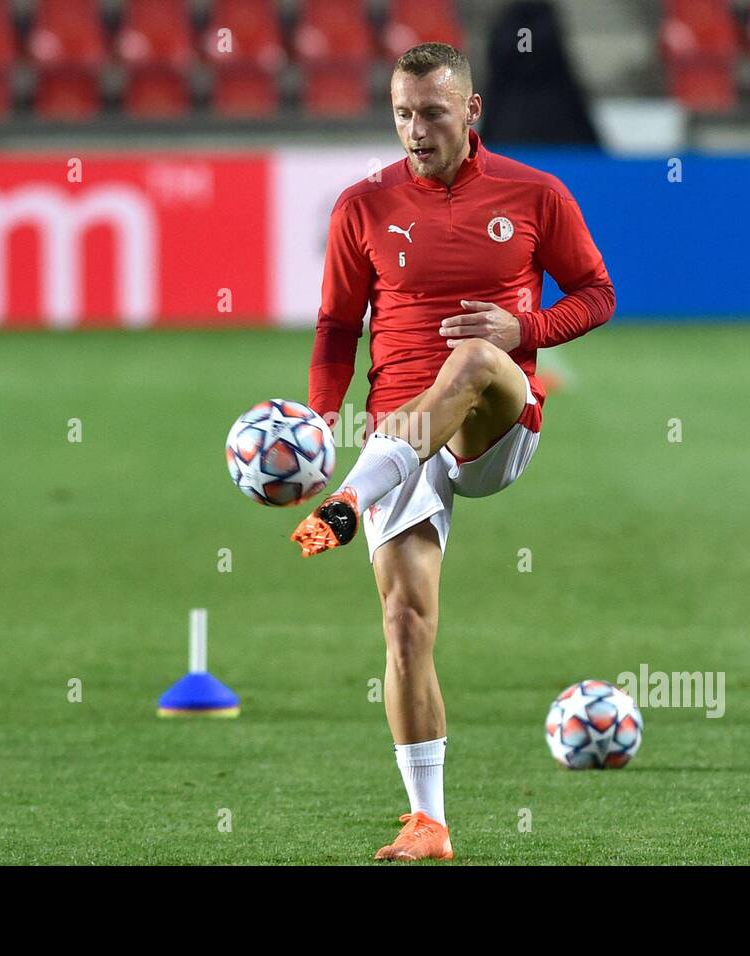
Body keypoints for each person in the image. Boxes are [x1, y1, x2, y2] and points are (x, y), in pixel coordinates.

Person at [291, 42, 615, 861]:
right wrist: (323, 421)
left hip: (494, 424)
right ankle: (427, 821)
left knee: (470, 361)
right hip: (400, 429)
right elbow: (335, 329)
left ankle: (351, 499)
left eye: (432, 113)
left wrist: (527, 331)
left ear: (471, 112)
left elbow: (598, 293)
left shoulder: (535, 193)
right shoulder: (361, 206)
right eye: (402, 114)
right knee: (404, 625)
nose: (415, 130)